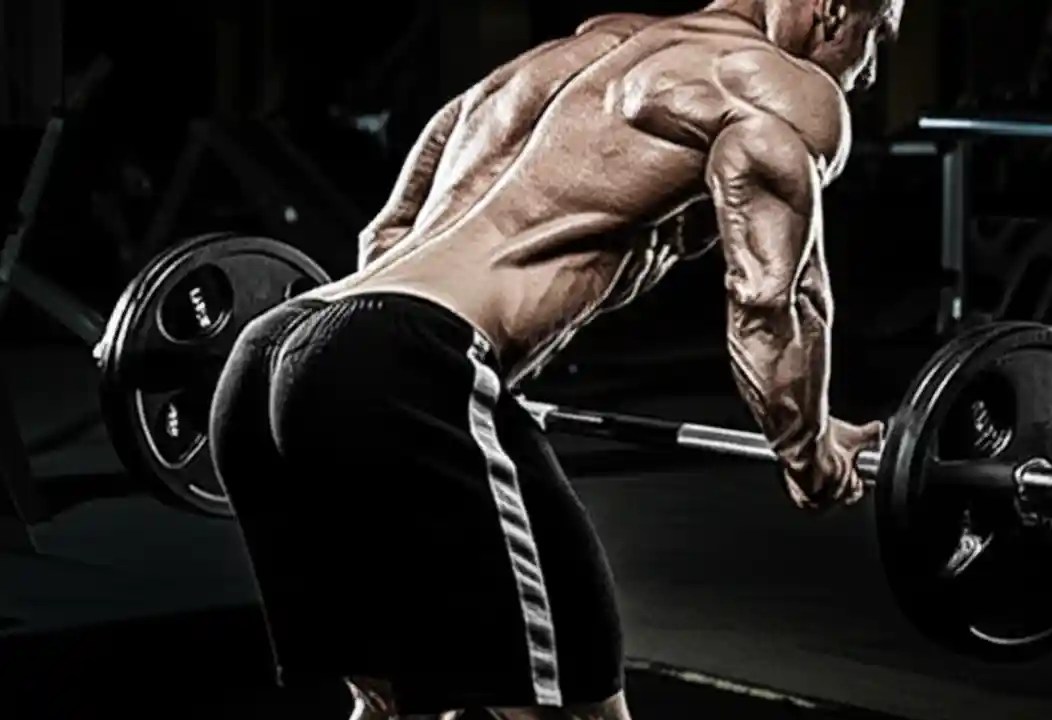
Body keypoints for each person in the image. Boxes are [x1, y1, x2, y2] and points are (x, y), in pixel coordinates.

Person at [208, 0, 901, 717]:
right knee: (576, 705)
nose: (872, 66)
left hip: (271, 354)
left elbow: (389, 230)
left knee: (391, 704)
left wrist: (383, 383)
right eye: (879, 35)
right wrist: (808, 450)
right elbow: (773, 302)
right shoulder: (781, 89)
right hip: (406, 365)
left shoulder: (579, 53)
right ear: (833, 7)